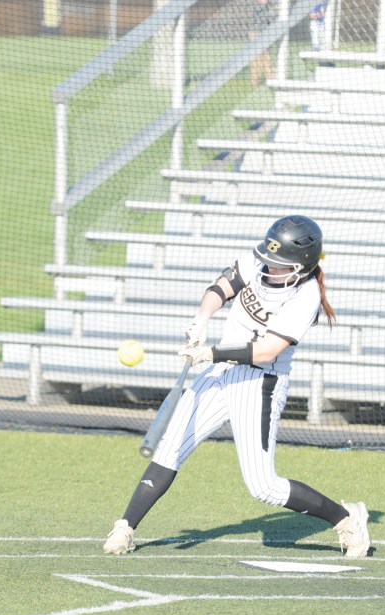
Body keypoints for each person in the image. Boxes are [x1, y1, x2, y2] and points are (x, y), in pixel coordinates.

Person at [103, 216, 370, 558]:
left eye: (279, 264)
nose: (269, 267)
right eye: (269, 259)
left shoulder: (306, 297)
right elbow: (221, 288)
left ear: (301, 267)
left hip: (258, 384)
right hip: (219, 372)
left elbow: (268, 350)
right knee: (170, 449)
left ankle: (347, 518)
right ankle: (125, 527)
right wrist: (202, 319)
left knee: (263, 486)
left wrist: (209, 351)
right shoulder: (259, 262)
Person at [249, 0, 275, 86]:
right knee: (256, 58)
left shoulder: (271, 5)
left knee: (266, 57)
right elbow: (263, 2)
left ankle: (270, 80)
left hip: (266, 32)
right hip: (255, 32)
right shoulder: (255, 5)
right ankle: (255, 82)